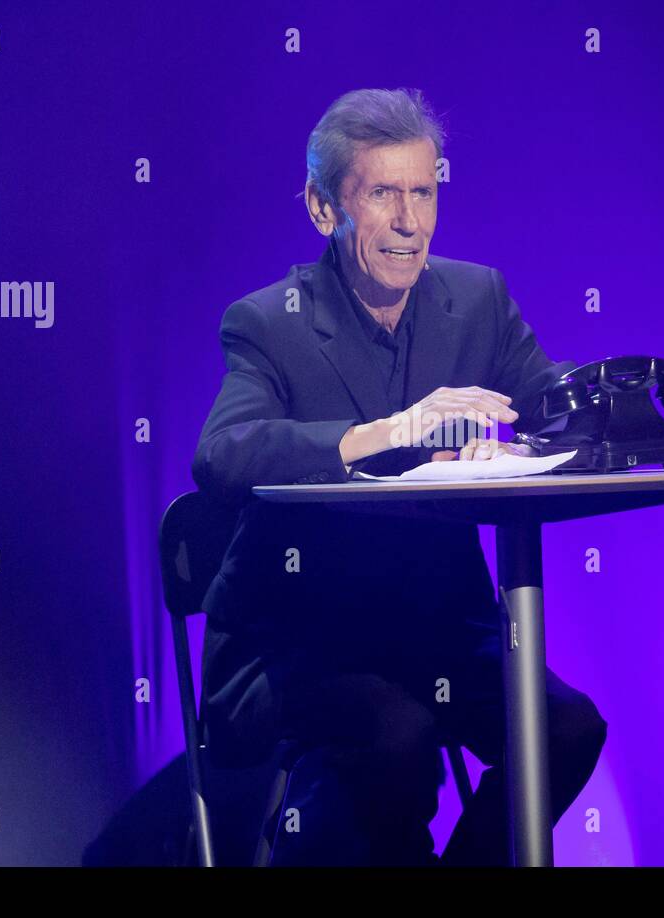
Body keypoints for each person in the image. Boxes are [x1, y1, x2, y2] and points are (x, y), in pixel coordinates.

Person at [192, 87, 606, 865]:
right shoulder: (268, 320)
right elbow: (225, 452)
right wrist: (389, 433)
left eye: (424, 192)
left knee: (569, 728)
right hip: (300, 644)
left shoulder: (476, 297)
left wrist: (541, 431)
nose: (410, 222)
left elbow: (548, 403)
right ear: (323, 210)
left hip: (440, 630)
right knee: (399, 738)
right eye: (383, 195)